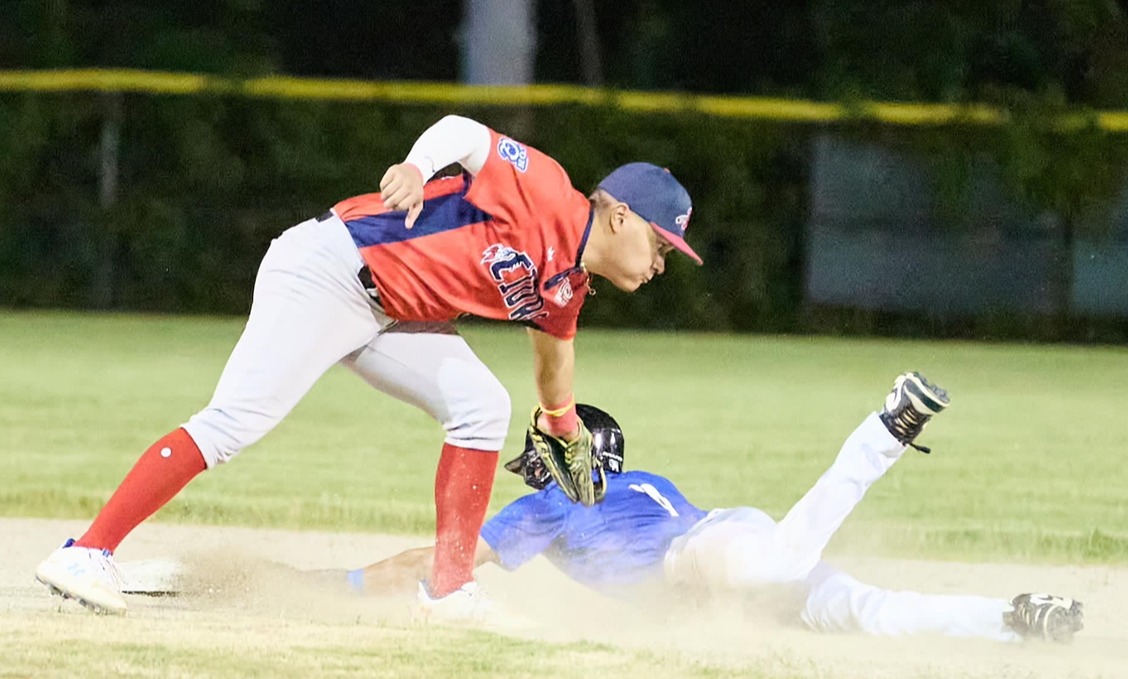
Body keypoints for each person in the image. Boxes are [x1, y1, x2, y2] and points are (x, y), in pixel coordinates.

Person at [34, 114, 702, 617]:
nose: (662, 258)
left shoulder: (566, 288)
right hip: (329, 270)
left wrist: (564, 429)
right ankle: (86, 552)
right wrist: (417, 166)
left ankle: (450, 585)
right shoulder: (550, 193)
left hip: (387, 313)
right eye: (659, 239)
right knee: (233, 424)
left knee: (481, 405)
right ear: (617, 216)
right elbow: (465, 133)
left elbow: (554, 365)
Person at [327, 374, 1085, 643]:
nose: (539, 463)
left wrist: (352, 586)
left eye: (552, 447)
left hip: (712, 551)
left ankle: (888, 426)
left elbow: (447, 562)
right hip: (730, 563)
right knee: (874, 614)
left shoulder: (559, 503)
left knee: (788, 563)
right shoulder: (618, 485)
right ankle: (1018, 620)